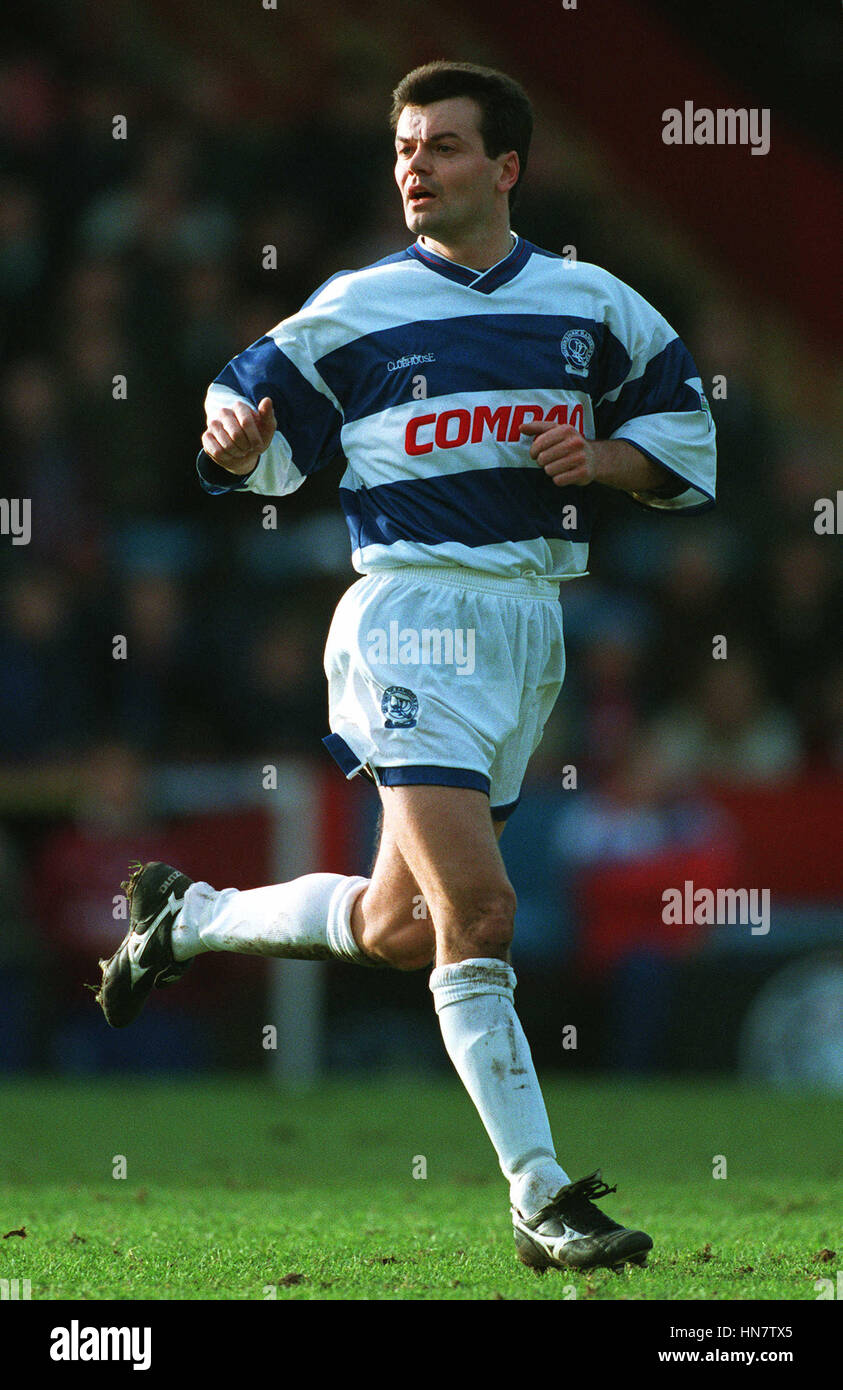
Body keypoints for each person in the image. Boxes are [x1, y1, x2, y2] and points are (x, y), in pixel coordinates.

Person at [95, 61, 716, 1273]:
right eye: (403, 148)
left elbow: (684, 431)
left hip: (529, 626)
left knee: (400, 926)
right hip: (409, 618)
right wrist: (233, 434)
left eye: (440, 145)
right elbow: (246, 409)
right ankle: (543, 1198)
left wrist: (606, 460)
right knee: (481, 913)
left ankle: (188, 919)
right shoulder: (358, 305)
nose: (414, 166)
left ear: (508, 168)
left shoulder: (592, 301)